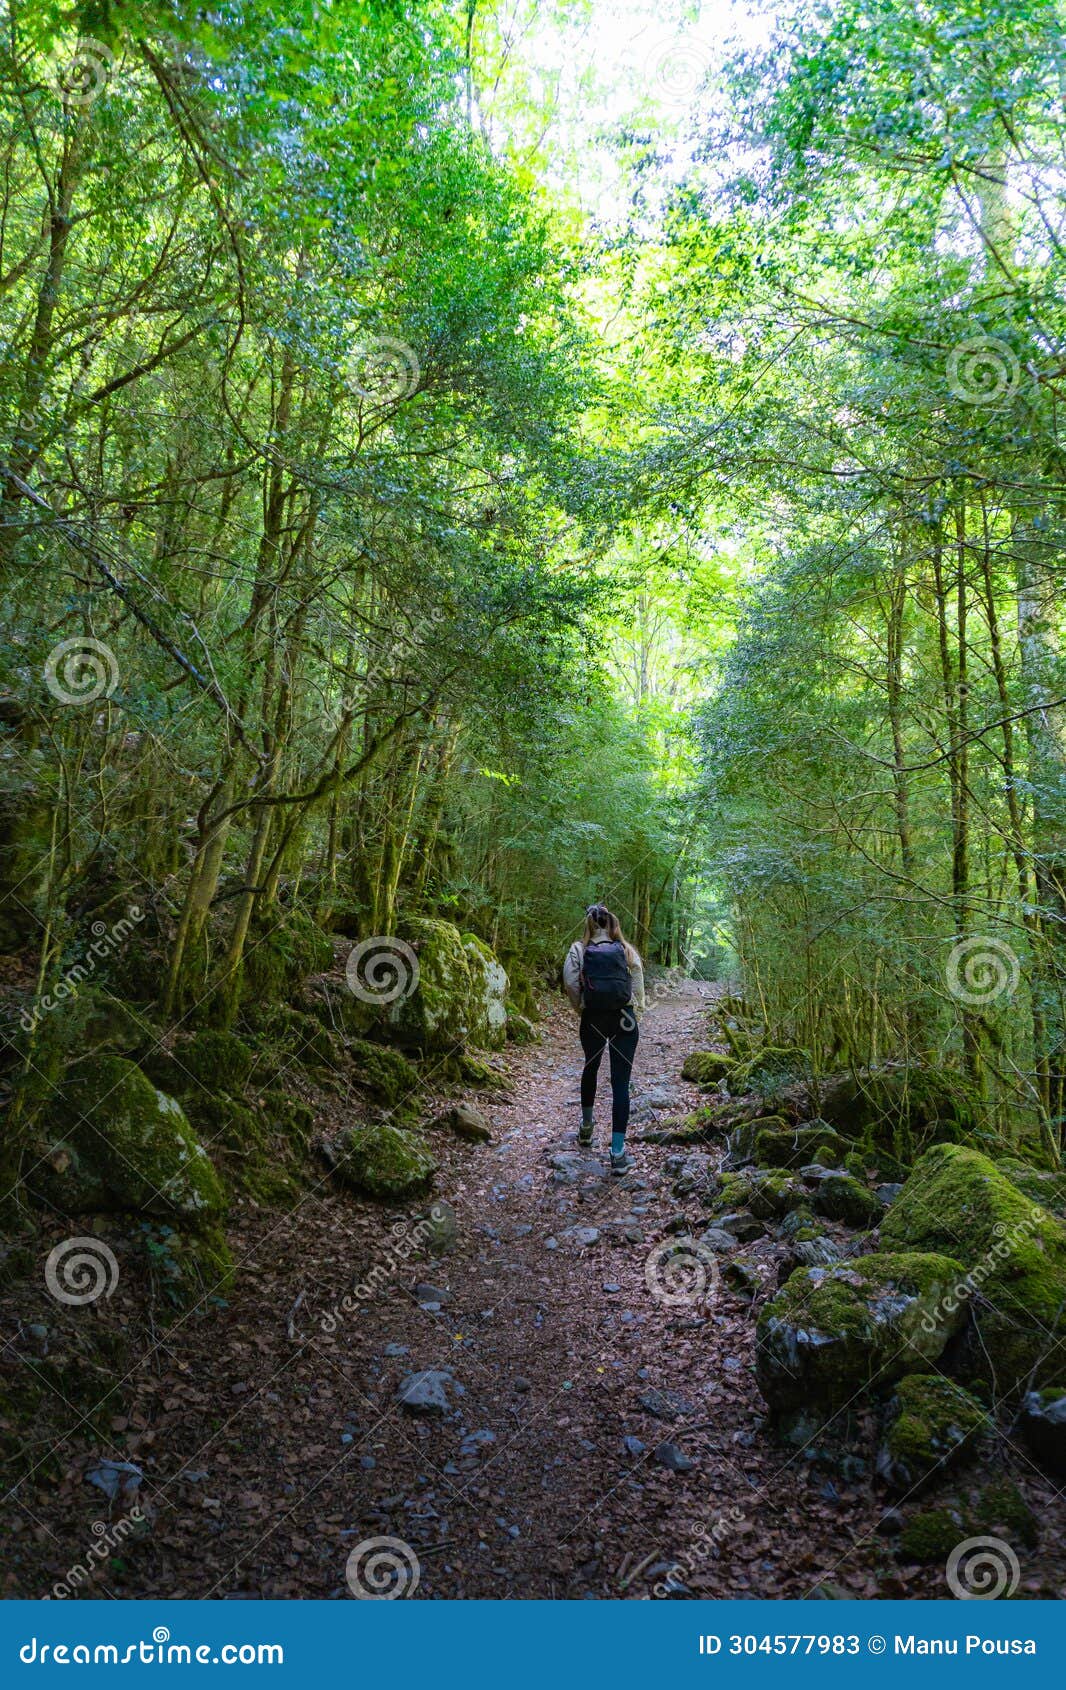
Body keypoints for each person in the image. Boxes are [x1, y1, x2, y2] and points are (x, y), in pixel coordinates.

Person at [563, 903, 645, 1174]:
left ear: (589, 924)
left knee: (591, 1067)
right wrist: (634, 1010)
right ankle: (618, 1152)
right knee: (621, 1082)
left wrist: (582, 1009)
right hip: (624, 1018)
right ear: (611, 924)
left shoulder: (579, 949)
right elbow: (638, 986)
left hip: (593, 1018)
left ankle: (586, 1128)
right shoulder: (625, 949)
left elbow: (570, 982)